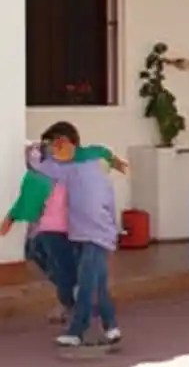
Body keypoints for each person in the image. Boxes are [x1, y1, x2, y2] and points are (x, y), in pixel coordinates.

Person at [25, 121, 126, 351]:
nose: (50, 150)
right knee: (97, 284)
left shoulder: (67, 167)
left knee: (87, 282)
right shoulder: (90, 164)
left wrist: (32, 150)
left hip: (95, 234)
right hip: (88, 232)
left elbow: (41, 168)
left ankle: (76, 331)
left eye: (53, 145)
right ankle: (111, 326)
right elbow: (109, 199)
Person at [1, 143, 118, 323]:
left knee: (58, 267)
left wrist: (9, 220)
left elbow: (27, 203)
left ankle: (73, 304)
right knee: (77, 268)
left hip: (56, 230)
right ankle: (85, 302)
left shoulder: (41, 175)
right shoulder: (78, 169)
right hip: (83, 228)